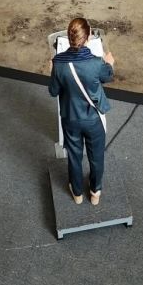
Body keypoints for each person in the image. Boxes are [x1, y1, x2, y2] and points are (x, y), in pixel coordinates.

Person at [49, 17, 114, 206]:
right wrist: (109, 63)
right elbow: (108, 76)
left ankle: (77, 193)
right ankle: (95, 193)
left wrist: (51, 70)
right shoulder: (96, 62)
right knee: (96, 157)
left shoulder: (58, 63)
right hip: (93, 119)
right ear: (87, 38)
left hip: (71, 118)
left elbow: (53, 91)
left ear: (69, 38)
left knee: (74, 156)